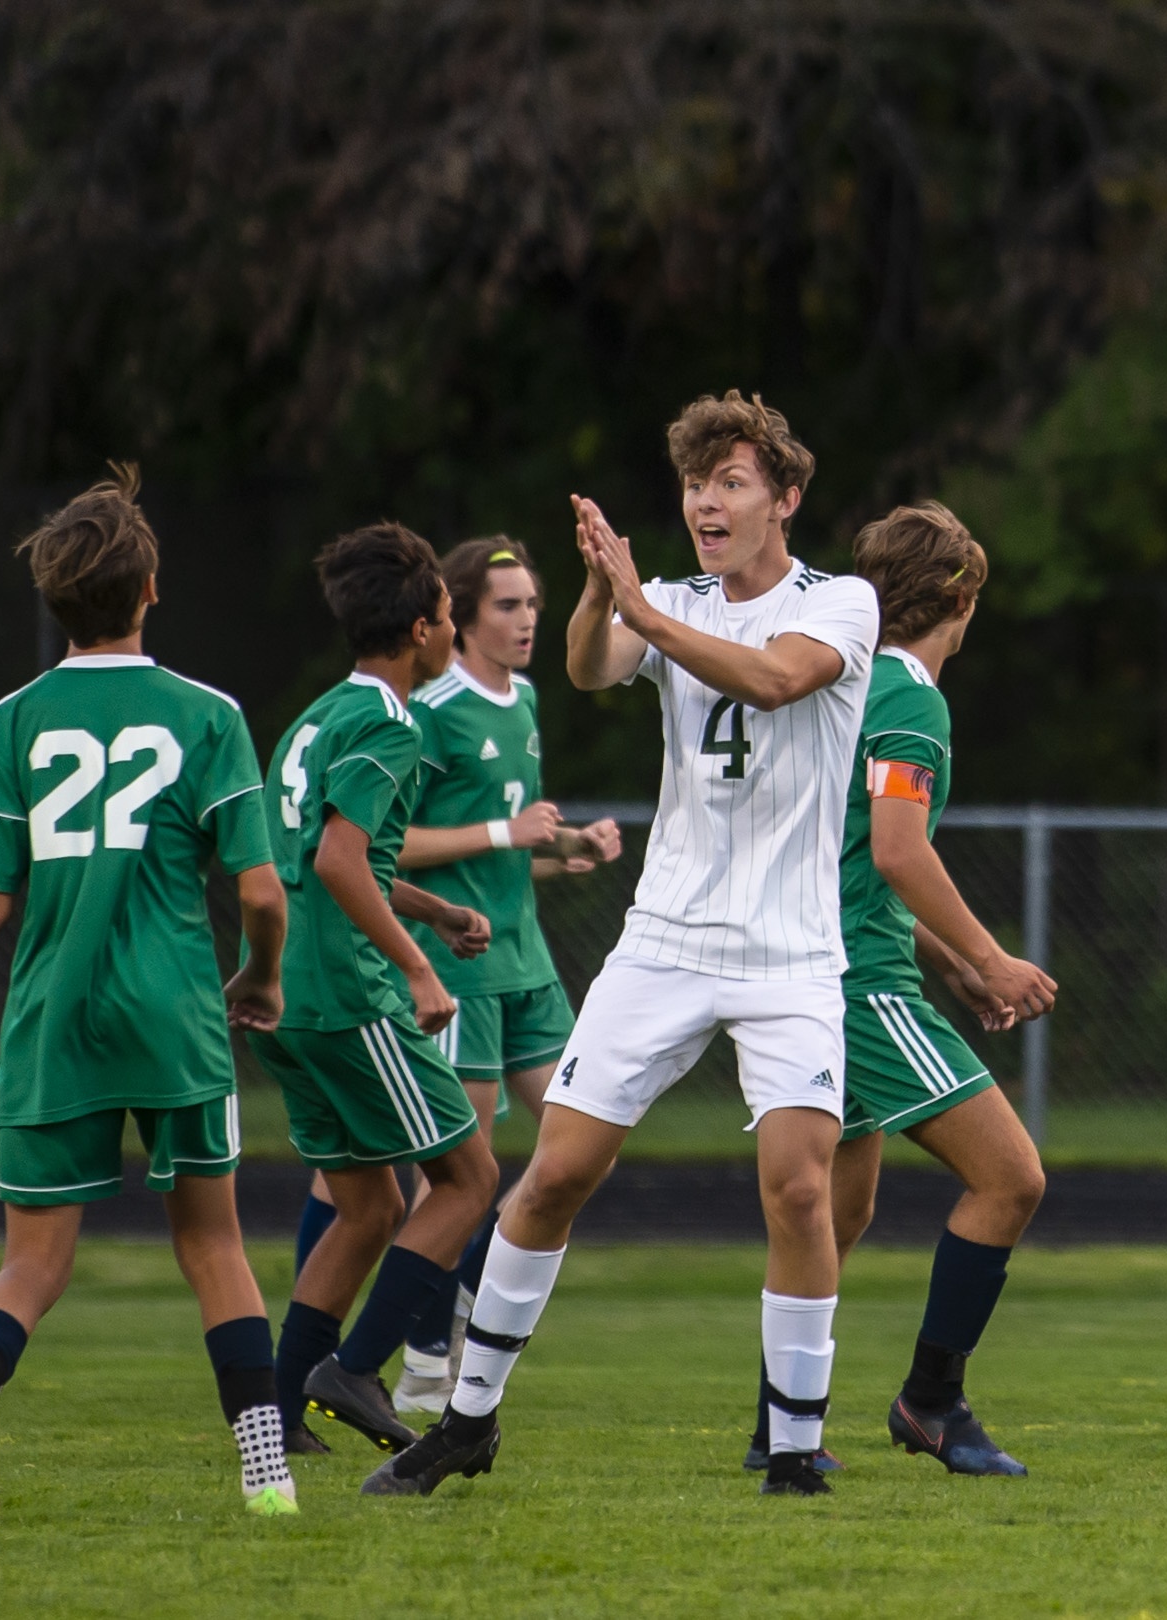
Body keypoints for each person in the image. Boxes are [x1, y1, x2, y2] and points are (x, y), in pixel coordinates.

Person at [366, 391, 882, 1500]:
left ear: (784, 500)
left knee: (798, 1191)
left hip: (791, 956)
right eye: (697, 482)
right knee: (553, 1174)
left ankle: (793, 1450)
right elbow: (594, 667)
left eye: (732, 481)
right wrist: (606, 592)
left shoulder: (840, 602)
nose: (708, 499)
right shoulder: (668, 600)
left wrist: (640, 610)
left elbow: (775, 679)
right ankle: (467, 1421)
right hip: (665, 943)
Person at [0, 468, 297, 1519]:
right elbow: (263, 891)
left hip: (53, 1019)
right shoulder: (207, 714)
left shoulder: (8, 722)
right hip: (175, 1013)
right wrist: (259, 976)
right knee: (214, 1247)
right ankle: (267, 1474)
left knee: (32, 1263)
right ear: (150, 591)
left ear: (56, 604)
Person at [739, 502, 1055, 1478]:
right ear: (960, 600)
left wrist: (953, 965)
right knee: (1010, 1180)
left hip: (796, 966)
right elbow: (896, 849)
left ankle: (777, 1427)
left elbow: (846, 863)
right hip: (856, 985)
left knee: (836, 1211)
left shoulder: (834, 686)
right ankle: (931, 1401)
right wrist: (993, 955)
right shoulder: (909, 697)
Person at [278, 538, 624, 1416]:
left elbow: (348, 853)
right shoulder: (410, 715)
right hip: (399, 980)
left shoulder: (344, 711)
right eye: (504, 604)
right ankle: (422, 1353)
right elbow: (355, 854)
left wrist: (560, 848)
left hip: (497, 960)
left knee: (558, 1148)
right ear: (446, 620)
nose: (526, 619)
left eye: (532, 603)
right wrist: (422, 951)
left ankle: (315, 1391)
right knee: (447, 1182)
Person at [249, 524, 501, 1458]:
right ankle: (353, 1370)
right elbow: (339, 860)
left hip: (287, 1003)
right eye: (447, 613)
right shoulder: (390, 723)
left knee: (369, 1207)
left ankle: (278, 1412)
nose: (450, 628)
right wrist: (419, 967)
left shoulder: (316, 717)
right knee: (470, 1178)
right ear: (425, 630)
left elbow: (330, 859)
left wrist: (431, 910)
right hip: (349, 999)